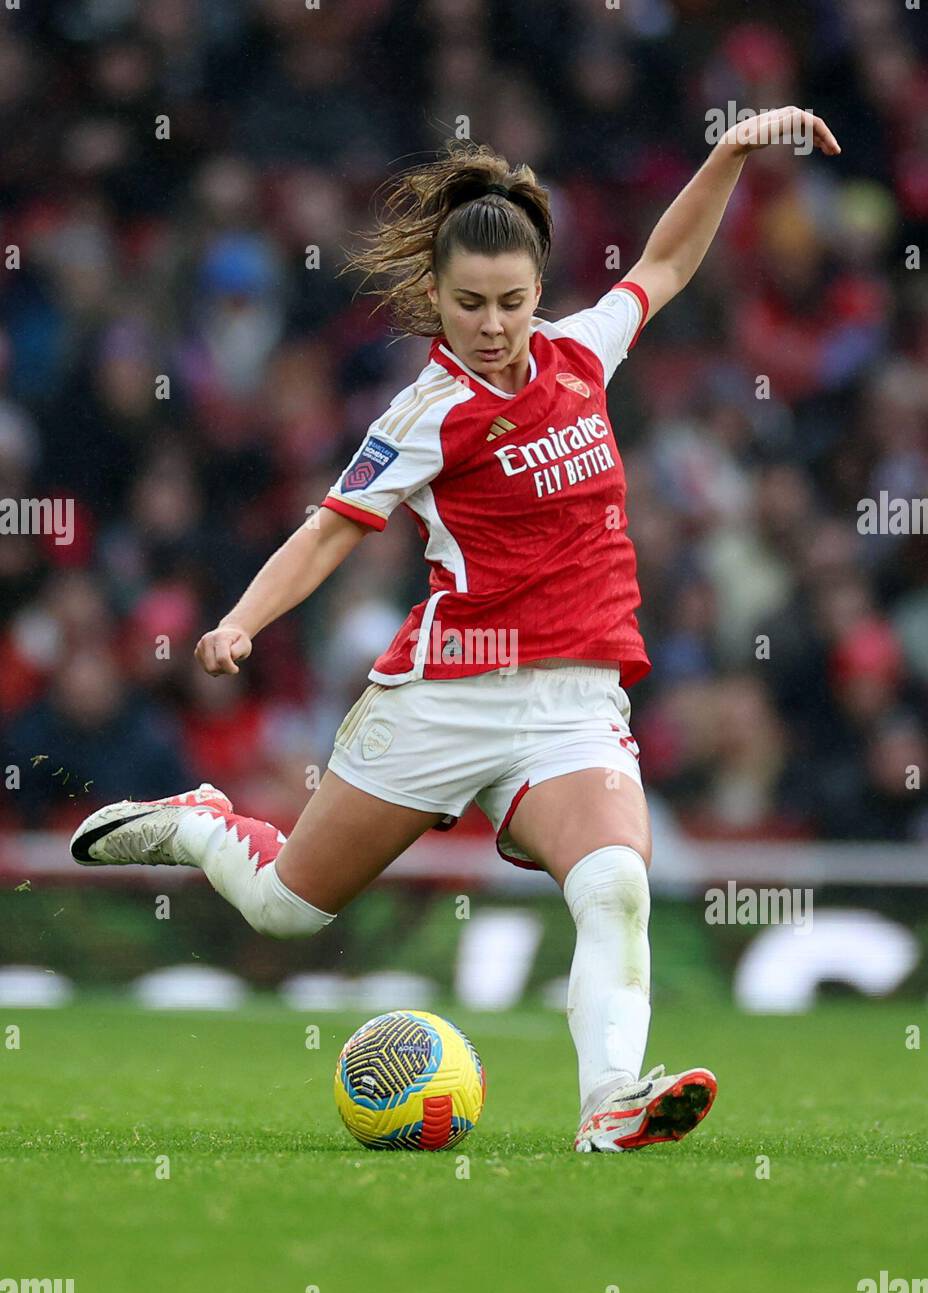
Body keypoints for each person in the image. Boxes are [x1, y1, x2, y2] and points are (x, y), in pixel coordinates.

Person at [71, 110, 841, 1153]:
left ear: (538, 291)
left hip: (571, 704)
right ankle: (205, 821)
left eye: (512, 302)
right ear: (436, 298)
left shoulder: (581, 350)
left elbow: (663, 261)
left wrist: (731, 151)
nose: (493, 324)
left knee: (614, 883)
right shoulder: (426, 412)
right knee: (291, 910)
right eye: (470, 304)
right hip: (443, 697)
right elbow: (329, 532)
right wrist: (240, 622)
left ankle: (609, 1103)